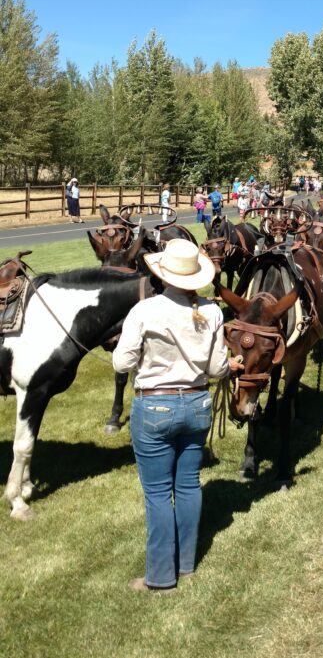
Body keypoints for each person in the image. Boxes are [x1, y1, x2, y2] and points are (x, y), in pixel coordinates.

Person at [112, 239, 244, 592]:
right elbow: (218, 368)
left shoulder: (145, 311)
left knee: (157, 494)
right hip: (197, 405)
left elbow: (121, 363)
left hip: (154, 406)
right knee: (188, 486)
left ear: (162, 274)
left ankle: (159, 577)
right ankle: (185, 565)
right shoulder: (214, 312)